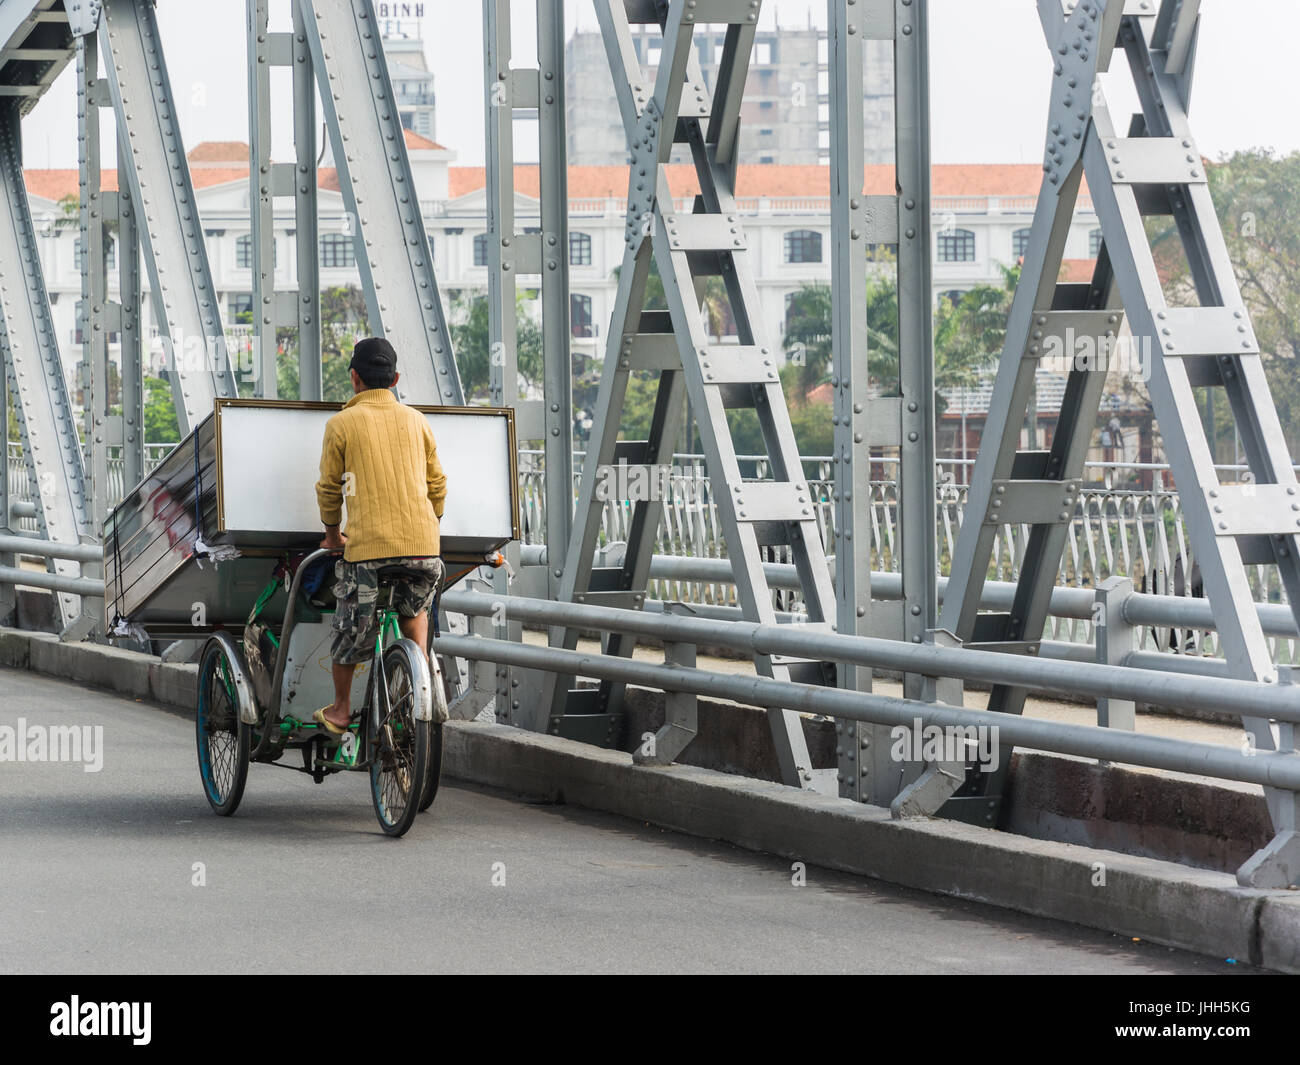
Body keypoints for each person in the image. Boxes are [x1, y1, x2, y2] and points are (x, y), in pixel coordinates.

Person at [313, 336, 447, 735]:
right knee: (415, 610)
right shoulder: (417, 420)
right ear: (396, 379)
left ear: (354, 378)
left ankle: (340, 710)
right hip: (425, 547)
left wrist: (333, 536)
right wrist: (428, 525)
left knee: (351, 630)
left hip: (368, 550)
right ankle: (417, 673)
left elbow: (329, 488)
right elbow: (437, 484)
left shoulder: (342, 423)